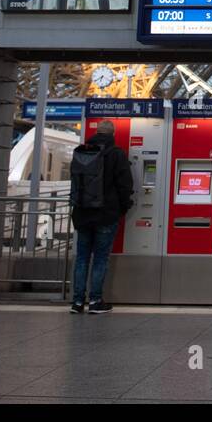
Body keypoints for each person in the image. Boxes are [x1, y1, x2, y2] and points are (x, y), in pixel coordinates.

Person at [70, 121, 132, 314]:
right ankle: (95, 301)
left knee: (81, 259)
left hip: (82, 214)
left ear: (96, 133)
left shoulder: (80, 152)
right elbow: (125, 185)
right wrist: (123, 208)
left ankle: (77, 302)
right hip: (106, 214)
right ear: (112, 134)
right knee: (100, 259)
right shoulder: (116, 154)